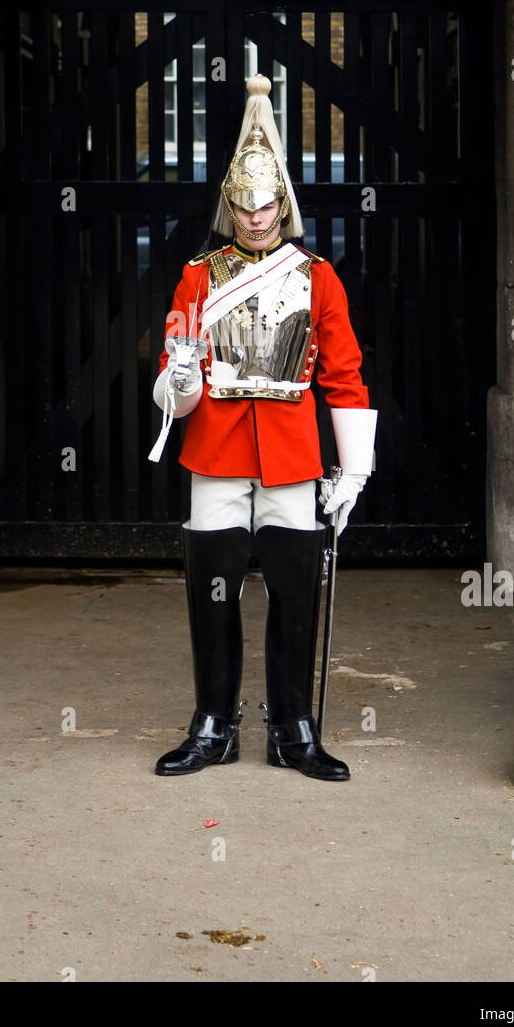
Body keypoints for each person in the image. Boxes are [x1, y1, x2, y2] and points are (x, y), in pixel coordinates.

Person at [148, 75, 377, 782]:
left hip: (291, 454)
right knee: (211, 591)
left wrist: (354, 469)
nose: (254, 216)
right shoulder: (197, 277)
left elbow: (342, 375)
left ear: (284, 202)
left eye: (266, 202)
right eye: (242, 205)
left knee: (293, 592)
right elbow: (170, 383)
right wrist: (180, 380)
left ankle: (293, 730)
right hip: (215, 449)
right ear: (230, 205)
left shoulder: (317, 278)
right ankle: (213, 724)